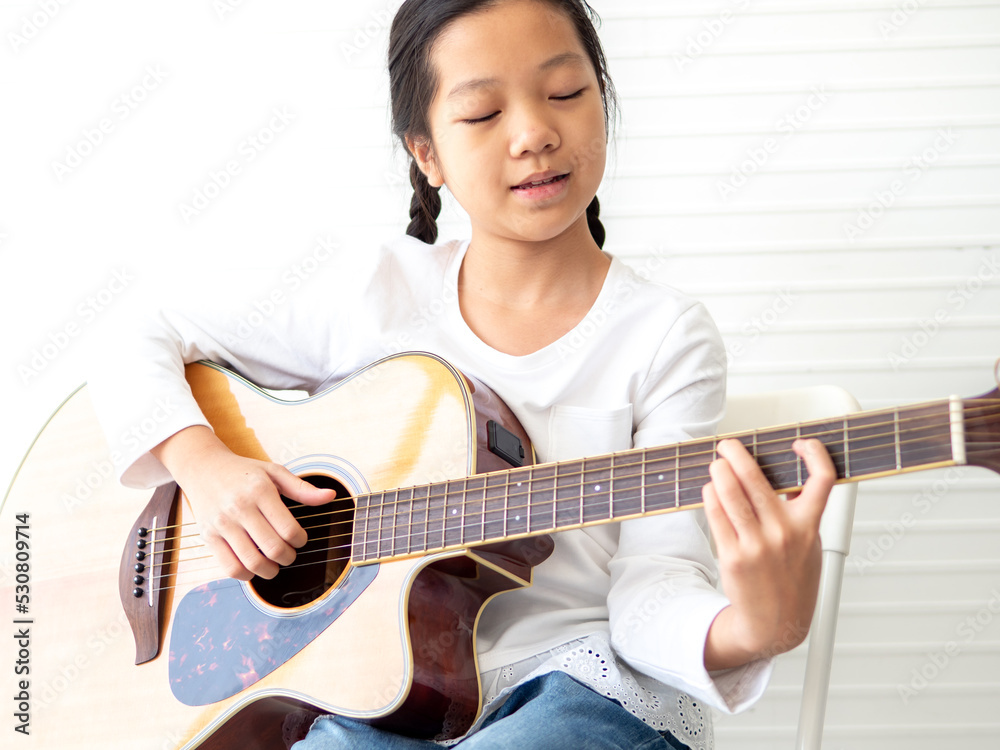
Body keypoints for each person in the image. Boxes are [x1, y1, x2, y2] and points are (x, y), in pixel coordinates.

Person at [89, 1, 836, 748]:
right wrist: (206, 466)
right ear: (427, 154)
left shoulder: (663, 335)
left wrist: (752, 628)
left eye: (567, 94)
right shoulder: (377, 294)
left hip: (577, 691)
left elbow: (653, 590)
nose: (534, 133)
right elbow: (137, 334)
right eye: (481, 113)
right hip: (374, 700)